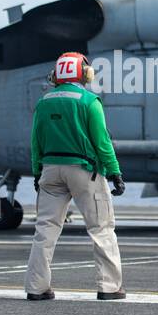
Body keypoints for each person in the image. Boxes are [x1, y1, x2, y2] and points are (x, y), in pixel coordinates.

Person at [26, 52, 126, 301]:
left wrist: (37, 171)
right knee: (101, 228)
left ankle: (36, 288)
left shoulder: (43, 102)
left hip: (50, 170)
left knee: (45, 230)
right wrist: (114, 171)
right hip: (84, 171)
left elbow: (36, 142)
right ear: (84, 74)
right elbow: (102, 142)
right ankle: (109, 287)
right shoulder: (90, 101)